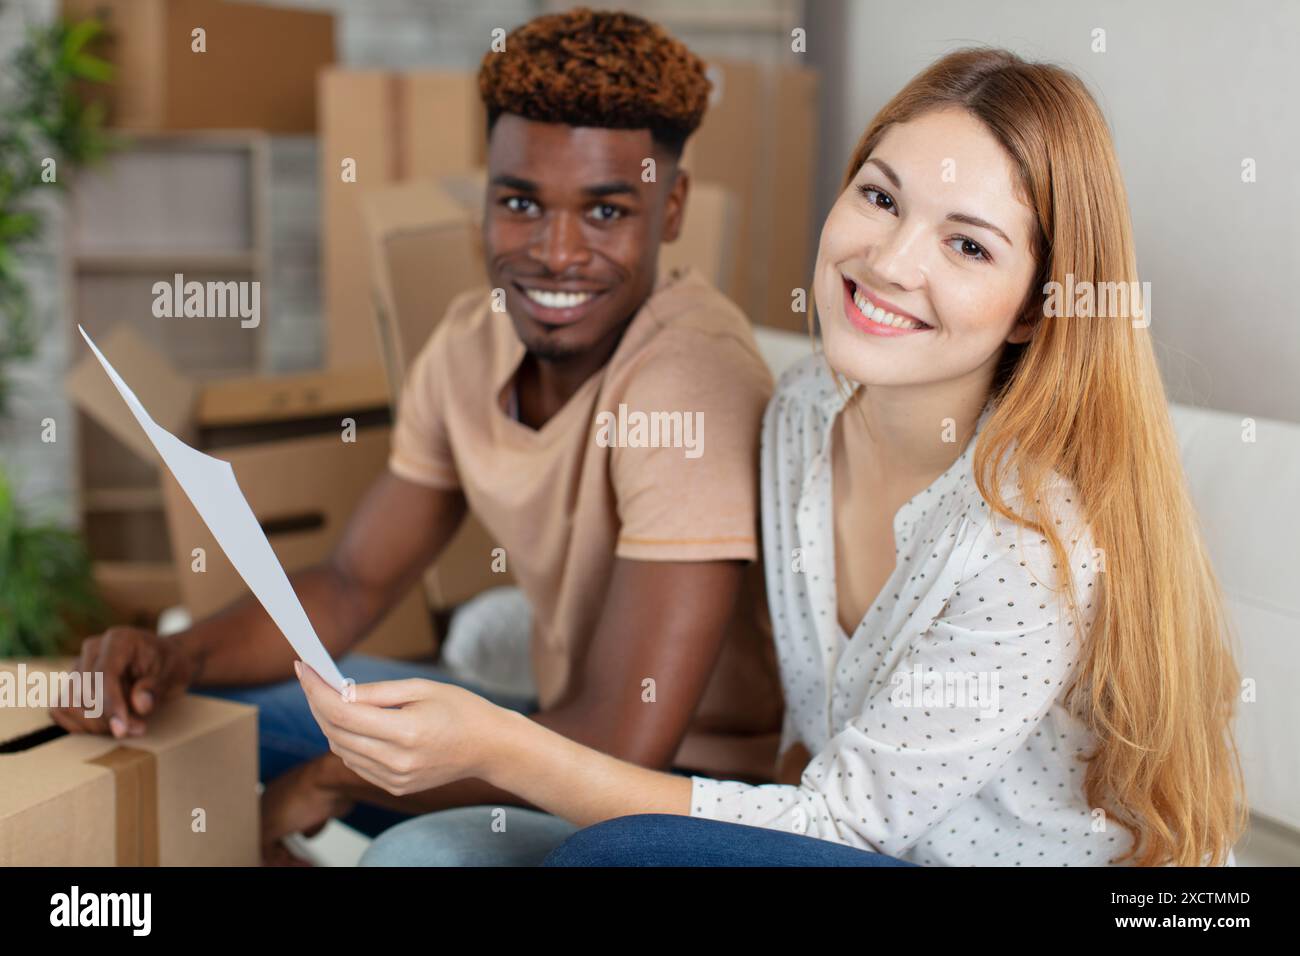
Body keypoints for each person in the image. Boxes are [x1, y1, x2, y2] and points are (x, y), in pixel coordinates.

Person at [299, 47, 1246, 868]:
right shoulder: (802, 410)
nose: (891, 261)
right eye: (880, 197)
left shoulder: (1026, 542)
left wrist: (498, 748)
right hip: (848, 833)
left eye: (967, 245)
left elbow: (836, 826)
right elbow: (813, 762)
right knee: (420, 839)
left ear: (1037, 305)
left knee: (618, 853)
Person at [51, 8, 785, 866]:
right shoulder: (473, 345)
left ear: (671, 208)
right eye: (519, 202)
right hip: (543, 731)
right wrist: (172, 654)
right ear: (484, 193)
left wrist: (330, 781)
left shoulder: (690, 382)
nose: (554, 253)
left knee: (417, 856)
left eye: (605, 211)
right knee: (234, 704)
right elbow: (351, 584)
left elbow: (621, 741)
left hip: (675, 794)